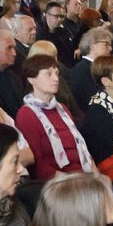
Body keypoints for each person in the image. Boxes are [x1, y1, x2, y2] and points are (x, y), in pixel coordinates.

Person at [15, 54, 92, 183]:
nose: (56, 78)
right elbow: (38, 167)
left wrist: (95, 176)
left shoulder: (62, 108)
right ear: (31, 79)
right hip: (59, 183)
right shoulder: (26, 115)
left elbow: (82, 149)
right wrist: (75, 181)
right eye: (48, 74)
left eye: (56, 73)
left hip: (80, 175)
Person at [67, 26, 113, 107]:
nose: (110, 48)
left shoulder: (101, 67)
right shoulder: (81, 70)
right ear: (92, 45)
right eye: (106, 44)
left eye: (110, 45)